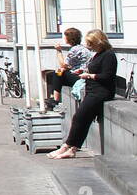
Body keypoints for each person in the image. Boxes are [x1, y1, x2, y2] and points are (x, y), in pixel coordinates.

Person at [50, 30, 117, 159]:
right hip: (92, 90)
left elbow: (107, 76)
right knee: (84, 119)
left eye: (91, 43)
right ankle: (72, 148)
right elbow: (96, 69)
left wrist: (89, 75)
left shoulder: (109, 55)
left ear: (99, 42)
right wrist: (83, 71)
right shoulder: (98, 54)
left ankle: (67, 146)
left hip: (101, 92)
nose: (89, 46)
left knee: (79, 117)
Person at [42, 28, 88, 110]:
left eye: (65, 37)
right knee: (58, 72)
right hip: (80, 74)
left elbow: (63, 64)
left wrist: (58, 51)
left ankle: (55, 100)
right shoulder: (81, 48)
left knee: (58, 72)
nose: (64, 39)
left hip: (80, 77)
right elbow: (69, 65)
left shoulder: (74, 50)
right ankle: (53, 98)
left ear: (69, 38)